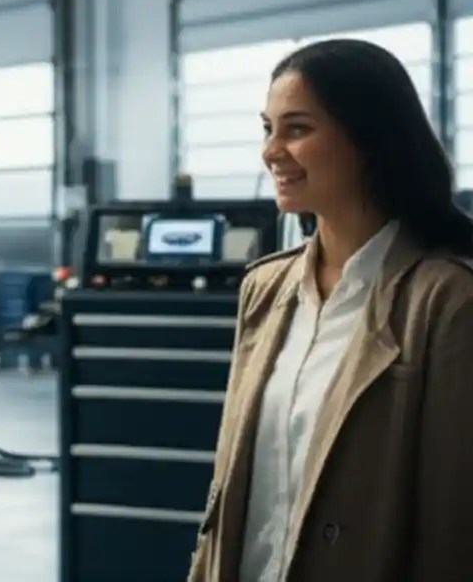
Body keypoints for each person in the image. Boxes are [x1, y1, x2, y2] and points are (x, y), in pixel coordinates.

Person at [188, 38, 473, 582]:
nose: (272, 150)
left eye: (297, 128)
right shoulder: (265, 288)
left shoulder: (447, 298)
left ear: (371, 139)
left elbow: (454, 524)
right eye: (268, 129)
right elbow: (228, 488)